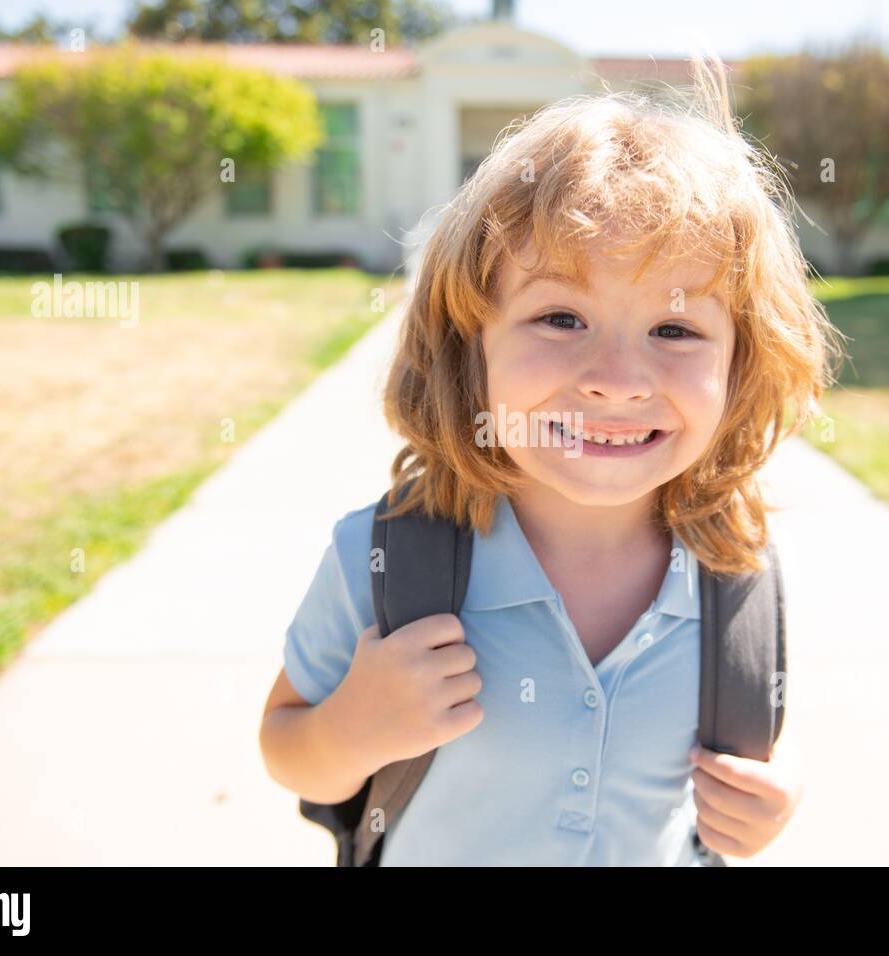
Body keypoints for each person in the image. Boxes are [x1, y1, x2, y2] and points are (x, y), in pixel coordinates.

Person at [259, 50, 841, 866]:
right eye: (561, 318)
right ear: (471, 348)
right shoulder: (388, 559)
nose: (615, 382)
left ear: (739, 369)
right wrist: (353, 727)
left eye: (674, 330)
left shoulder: (734, 577)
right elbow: (286, 741)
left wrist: (777, 793)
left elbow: (755, 739)